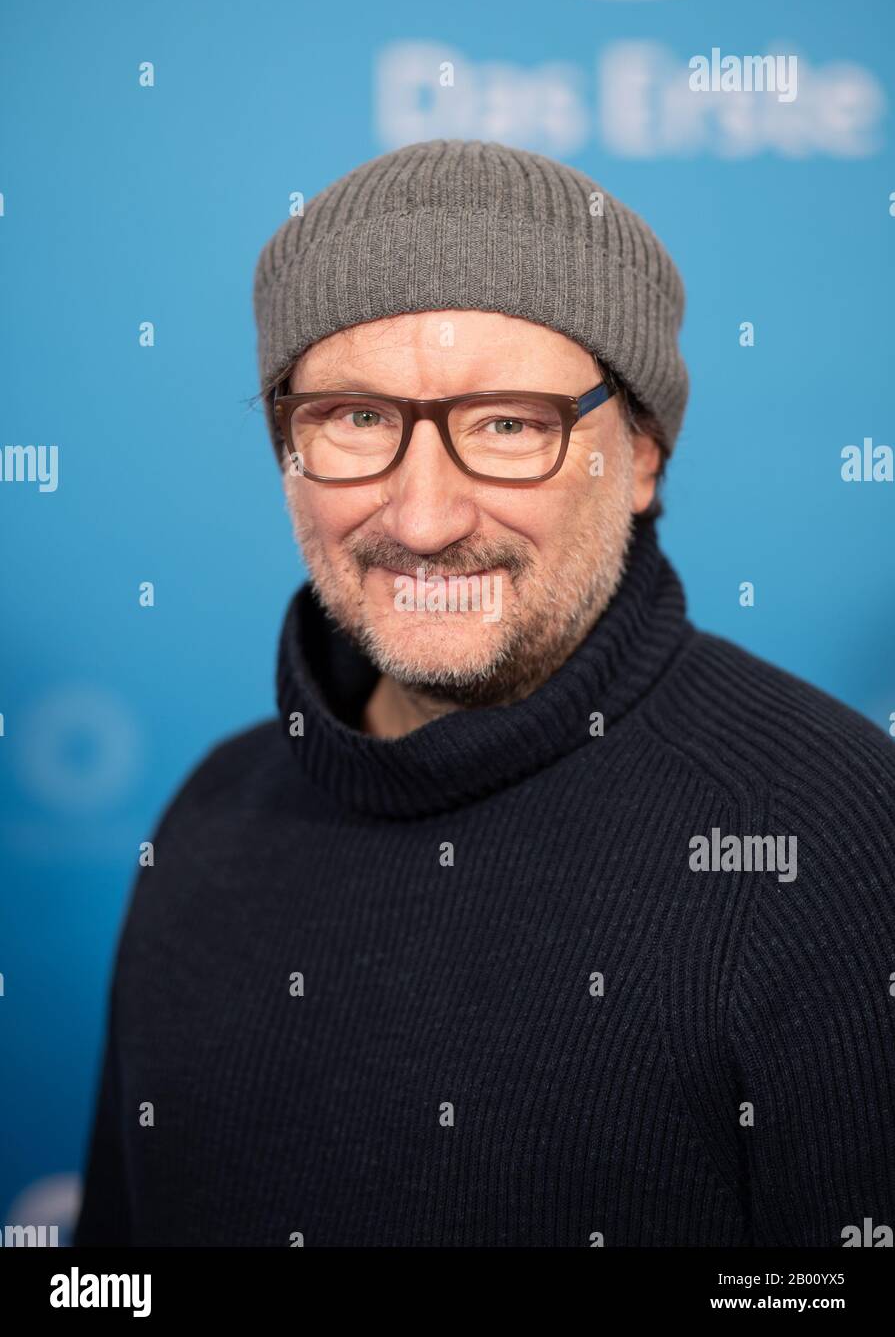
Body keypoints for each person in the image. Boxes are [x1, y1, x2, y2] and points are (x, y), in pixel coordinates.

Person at [73, 139, 895, 1248]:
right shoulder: (213, 813)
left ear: (641, 455)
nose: (422, 518)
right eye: (355, 419)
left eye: (510, 425)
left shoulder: (838, 838)